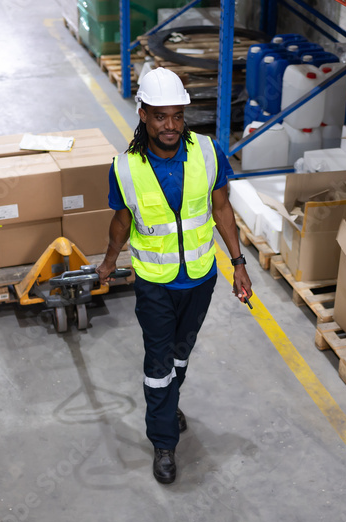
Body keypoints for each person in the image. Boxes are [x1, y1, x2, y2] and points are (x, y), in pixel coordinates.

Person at [97, 67, 253, 485]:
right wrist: (111, 259)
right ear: (143, 115)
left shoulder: (207, 151)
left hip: (201, 280)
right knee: (158, 361)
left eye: (178, 116)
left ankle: (168, 401)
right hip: (155, 285)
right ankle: (163, 441)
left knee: (181, 356)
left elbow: (222, 210)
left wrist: (239, 264)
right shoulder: (125, 167)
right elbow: (122, 219)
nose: (171, 125)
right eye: (161, 116)